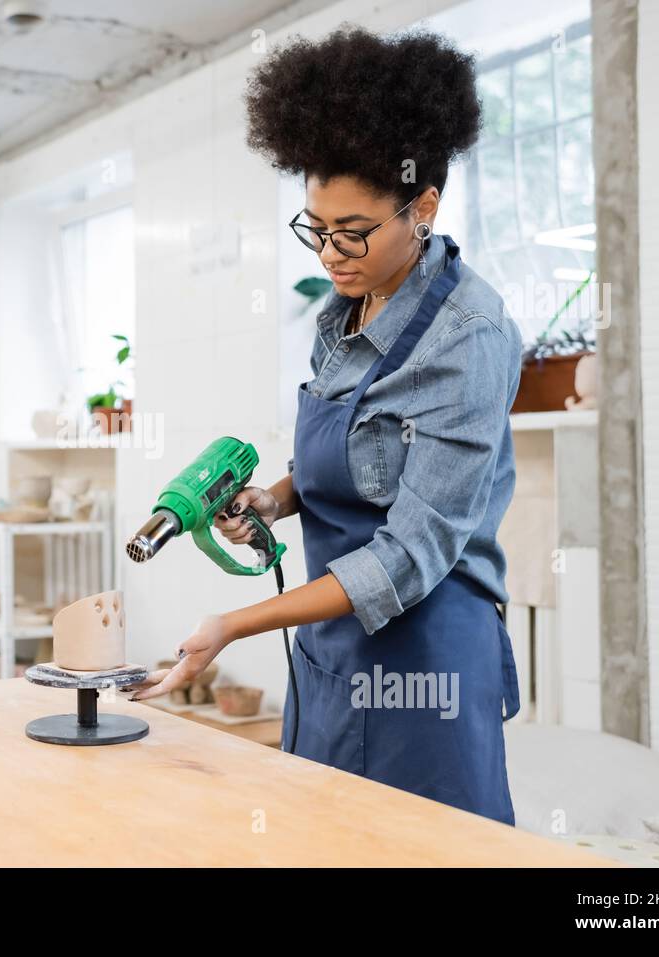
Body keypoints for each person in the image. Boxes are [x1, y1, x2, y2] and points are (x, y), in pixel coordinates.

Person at [132, 27, 522, 824]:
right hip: (332, 646)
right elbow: (348, 463)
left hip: (425, 653)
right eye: (316, 228)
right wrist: (273, 502)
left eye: (353, 231)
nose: (331, 253)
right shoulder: (345, 307)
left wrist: (235, 623)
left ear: (422, 208)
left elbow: (411, 552)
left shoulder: (469, 337)